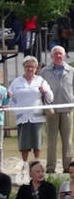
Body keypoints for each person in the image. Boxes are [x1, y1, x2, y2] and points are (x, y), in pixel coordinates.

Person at [9, 57, 52, 165]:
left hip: (37, 117)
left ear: (36, 68)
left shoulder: (41, 81)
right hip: (22, 117)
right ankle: (25, 164)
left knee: (37, 143)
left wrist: (45, 92)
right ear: (24, 67)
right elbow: (10, 98)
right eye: (27, 66)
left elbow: (50, 98)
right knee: (24, 144)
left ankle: (37, 162)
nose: (29, 69)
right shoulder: (16, 81)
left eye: (32, 67)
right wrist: (16, 110)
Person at [40, 45, 73, 173]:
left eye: (60, 54)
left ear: (64, 56)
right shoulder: (44, 71)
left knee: (67, 141)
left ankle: (67, 167)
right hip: (51, 110)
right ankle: (50, 168)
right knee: (51, 141)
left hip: (67, 109)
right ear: (51, 56)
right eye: (56, 54)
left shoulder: (71, 71)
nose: (58, 56)